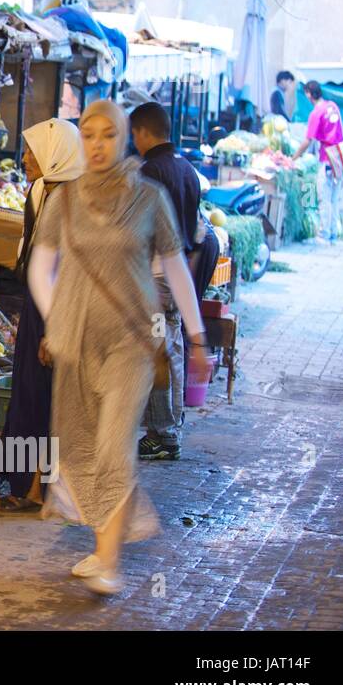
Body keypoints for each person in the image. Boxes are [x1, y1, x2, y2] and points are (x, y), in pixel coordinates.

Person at [27, 100, 210, 596]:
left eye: (109, 135)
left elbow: (175, 269)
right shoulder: (63, 201)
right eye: (89, 135)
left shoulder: (149, 199)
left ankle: (110, 562)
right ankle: (100, 543)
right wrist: (55, 319)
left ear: (126, 137)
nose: (99, 144)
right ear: (81, 141)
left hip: (131, 342)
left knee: (114, 445)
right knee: (82, 448)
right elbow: (40, 268)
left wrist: (196, 337)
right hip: (78, 344)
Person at [0, 119, 85, 514]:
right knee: (28, 394)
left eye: (34, 154)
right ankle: (26, 486)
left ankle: (40, 491)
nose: (26, 159)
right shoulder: (40, 191)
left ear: (56, 157)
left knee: (53, 399)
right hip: (36, 306)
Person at [129, 102, 206, 461]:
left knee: (157, 353)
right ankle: (170, 426)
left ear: (143, 133)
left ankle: (162, 435)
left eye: (133, 133)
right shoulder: (188, 171)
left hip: (155, 282)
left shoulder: (149, 172)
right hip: (175, 281)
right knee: (170, 350)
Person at [291, 81, 343, 243]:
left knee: (324, 196)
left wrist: (293, 158)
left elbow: (308, 140)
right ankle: (333, 234)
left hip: (327, 158)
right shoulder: (333, 106)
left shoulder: (317, 113)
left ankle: (323, 235)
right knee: (334, 198)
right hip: (340, 157)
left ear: (309, 93)